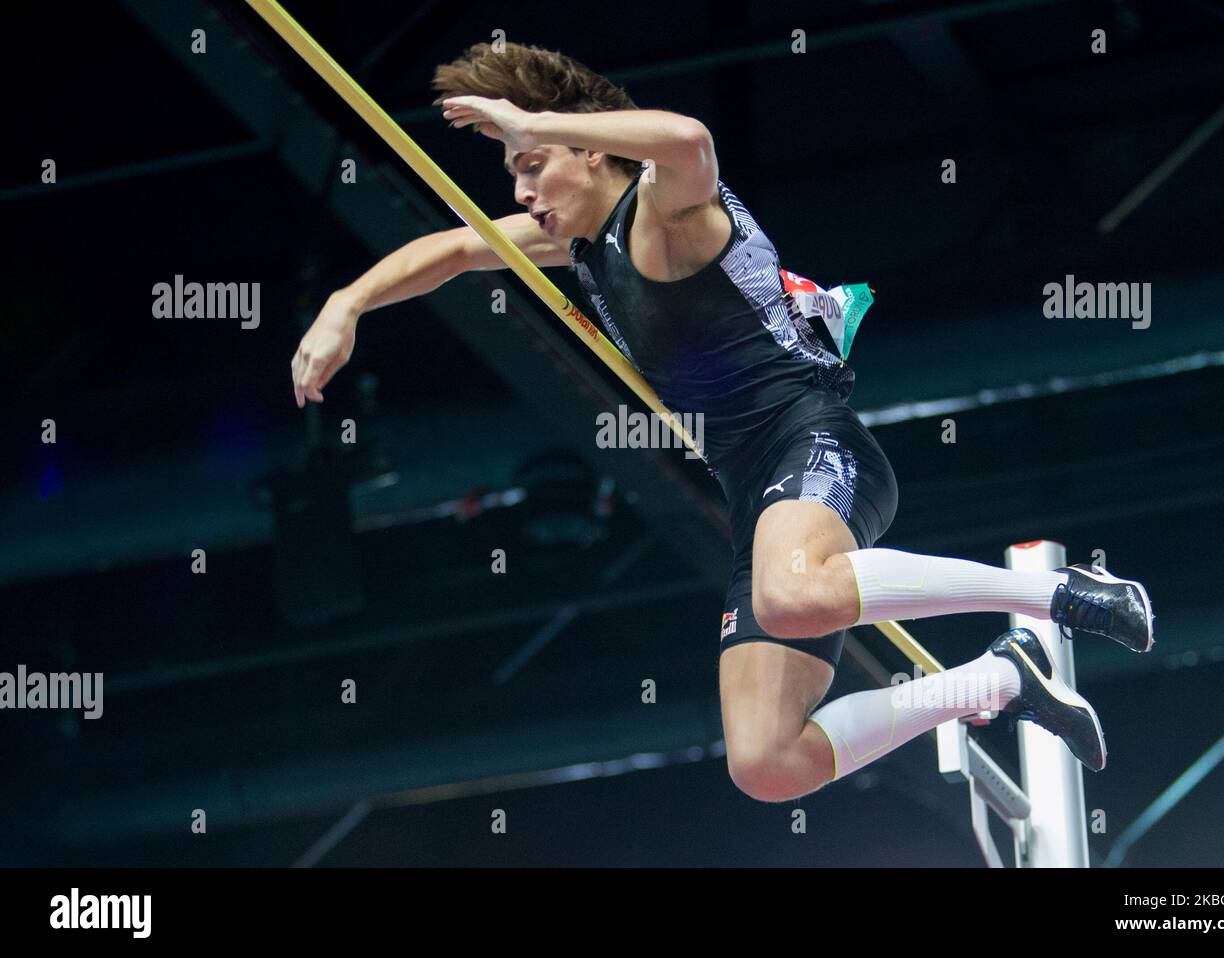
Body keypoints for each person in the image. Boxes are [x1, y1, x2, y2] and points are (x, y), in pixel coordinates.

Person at [289, 41, 1155, 802]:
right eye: (513, 173)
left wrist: (524, 115)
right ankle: (998, 678)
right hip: (757, 500)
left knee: (794, 594)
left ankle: (1063, 596)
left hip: (813, 444)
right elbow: (452, 248)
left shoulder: (669, 210)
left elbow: (691, 140)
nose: (521, 191)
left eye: (531, 165)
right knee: (768, 763)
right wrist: (345, 305)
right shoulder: (580, 242)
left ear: (591, 151)